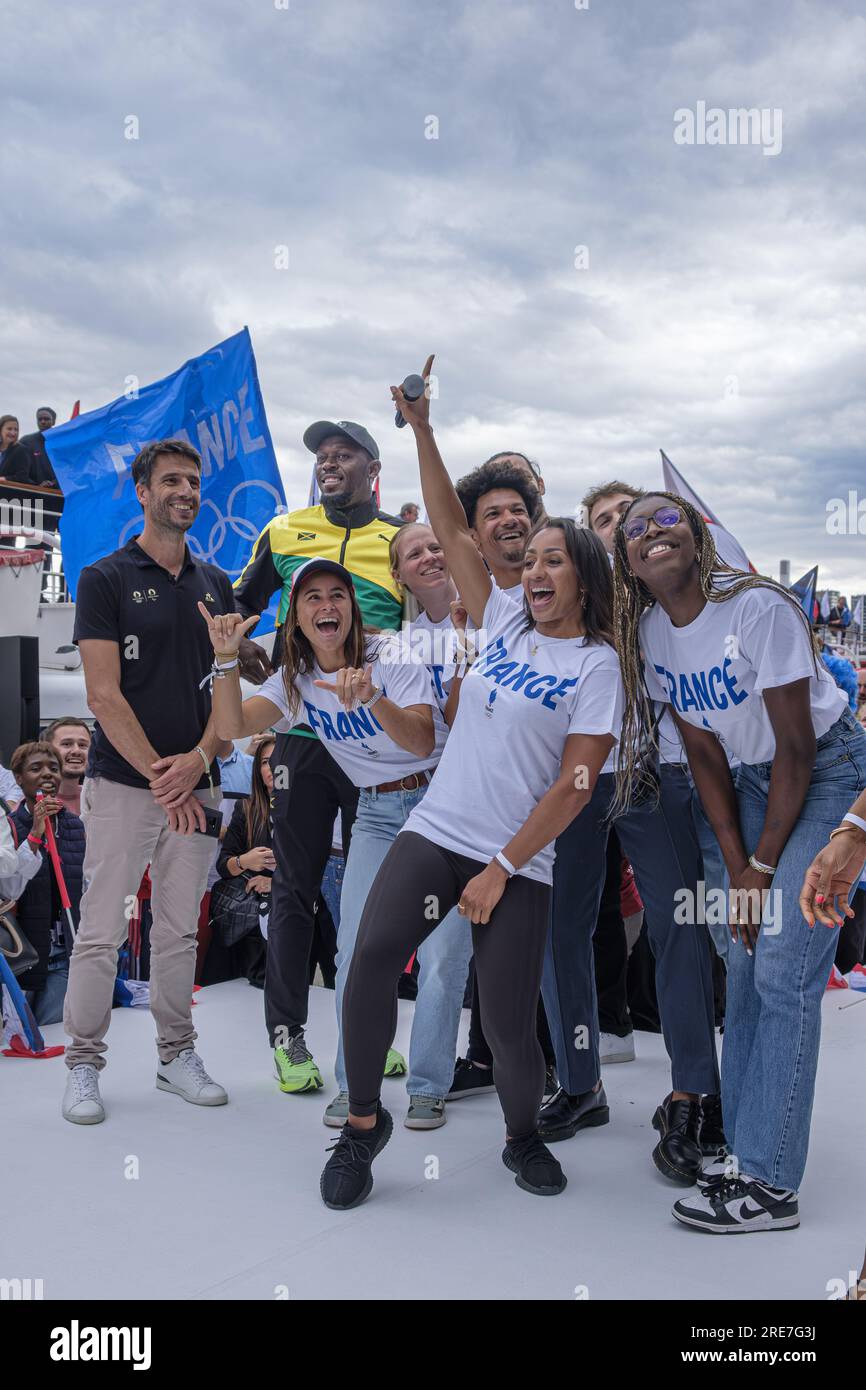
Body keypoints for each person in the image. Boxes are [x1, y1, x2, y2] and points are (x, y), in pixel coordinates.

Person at [318, 355, 625, 1210]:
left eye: (556, 560)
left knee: (502, 1025)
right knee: (372, 961)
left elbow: (573, 785)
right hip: (438, 830)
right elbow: (452, 527)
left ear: (583, 578)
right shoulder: (496, 622)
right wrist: (419, 424)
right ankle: (363, 1127)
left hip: (516, 861)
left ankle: (521, 1138)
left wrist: (501, 867)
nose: (535, 568)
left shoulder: (596, 665)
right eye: (532, 558)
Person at [613, 490, 866, 1232]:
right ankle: (745, 1144)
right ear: (628, 562)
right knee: (747, 955)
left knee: (787, 965)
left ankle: (770, 1182)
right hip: (752, 783)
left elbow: (795, 746)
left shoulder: (759, 609)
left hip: (824, 773)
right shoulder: (655, 633)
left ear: (696, 537)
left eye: (667, 520)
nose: (653, 533)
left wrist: (759, 868)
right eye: (636, 530)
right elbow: (703, 750)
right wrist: (737, 864)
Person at [199, 555, 440, 1106]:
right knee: (304, 901)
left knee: (416, 937)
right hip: (337, 776)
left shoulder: (391, 653)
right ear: (295, 617)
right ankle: (293, 1038)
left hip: (420, 794)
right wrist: (226, 658)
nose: (327, 605)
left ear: (354, 607)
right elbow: (234, 727)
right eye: (312, 597)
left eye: (338, 594)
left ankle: (383, 1046)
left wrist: (375, 698)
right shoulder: (295, 676)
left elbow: (423, 743)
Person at [536, 483, 722, 1181]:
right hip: (579, 782)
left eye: (627, 517)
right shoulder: (569, 613)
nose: (622, 530)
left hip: (654, 778)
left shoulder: (668, 605)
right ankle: (580, 1083)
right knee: (563, 926)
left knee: (679, 926)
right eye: (606, 525)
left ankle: (693, 1092)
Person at [61, 439, 232, 1125]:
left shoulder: (215, 583)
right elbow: (103, 696)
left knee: (178, 933)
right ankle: (81, 1064)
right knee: (101, 930)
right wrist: (168, 778)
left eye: (193, 481)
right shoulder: (103, 578)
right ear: (142, 490)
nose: (185, 491)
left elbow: (230, 692)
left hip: (202, 781)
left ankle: (175, 1054)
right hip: (128, 786)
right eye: (171, 481)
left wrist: (197, 760)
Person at [232, 419, 404, 1095]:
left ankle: (367, 1030)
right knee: (295, 886)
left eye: (343, 455)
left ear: (372, 466)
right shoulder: (283, 529)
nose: (329, 463)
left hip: (375, 734)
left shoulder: (395, 537)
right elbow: (235, 605)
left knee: (375, 897)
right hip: (302, 735)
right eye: (322, 457)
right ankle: (287, 1034)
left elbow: (426, 626)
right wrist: (242, 654)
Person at [9, 742, 84, 1026]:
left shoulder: (75, 826)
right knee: (17, 1039)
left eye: (54, 768)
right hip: (23, 952)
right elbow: (12, 886)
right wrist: (36, 833)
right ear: (19, 778)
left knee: (54, 1032)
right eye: (36, 768)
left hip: (65, 950)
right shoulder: (10, 827)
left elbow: (86, 885)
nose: (47, 774)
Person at [207, 736, 276, 989]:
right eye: (266, 762)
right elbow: (223, 865)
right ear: (257, 769)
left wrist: (275, 880)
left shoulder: (306, 810)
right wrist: (246, 861)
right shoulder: (247, 807)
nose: (273, 768)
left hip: (285, 918)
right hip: (244, 917)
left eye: (279, 761)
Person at [44, 717, 92, 816]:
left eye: (82, 745)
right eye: (66, 744)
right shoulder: (32, 804)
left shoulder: (98, 800)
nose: (76, 751)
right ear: (47, 751)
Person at [10, 408, 59, 488]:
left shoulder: (62, 443)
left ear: (53, 421)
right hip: (31, 492)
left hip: (57, 494)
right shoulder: (25, 441)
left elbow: (69, 470)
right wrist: (34, 485)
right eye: (40, 419)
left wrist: (54, 483)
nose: (43, 422)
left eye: (46, 419)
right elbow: (16, 469)